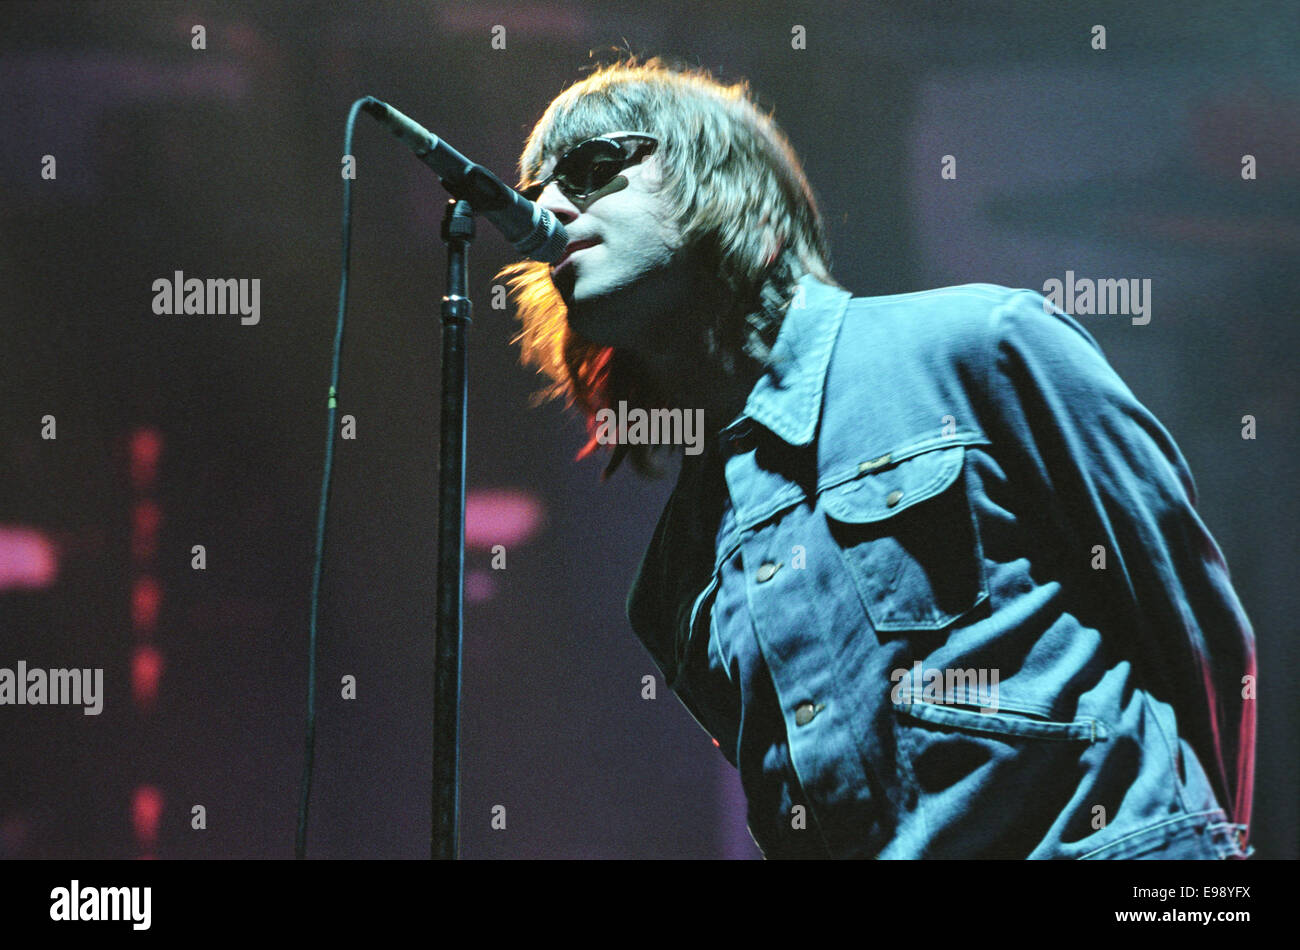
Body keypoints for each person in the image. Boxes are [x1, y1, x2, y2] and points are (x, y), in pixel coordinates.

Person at [495, 57, 1256, 859]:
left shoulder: (980, 347)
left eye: (592, 166)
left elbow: (1196, 632)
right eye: (536, 186)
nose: (545, 205)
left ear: (717, 176)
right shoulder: (671, 582)